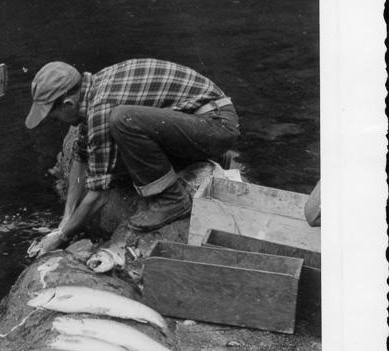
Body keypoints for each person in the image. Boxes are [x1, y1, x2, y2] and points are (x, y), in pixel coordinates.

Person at [25, 58, 239, 256]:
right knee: (120, 146)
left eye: (55, 118)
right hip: (199, 121)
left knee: (122, 119)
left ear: (68, 105)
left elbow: (98, 195)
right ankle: (203, 158)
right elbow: (82, 156)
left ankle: (172, 199)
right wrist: (66, 219)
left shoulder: (101, 107)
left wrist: (62, 237)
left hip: (215, 125)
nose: (57, 123)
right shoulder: (92, 92)